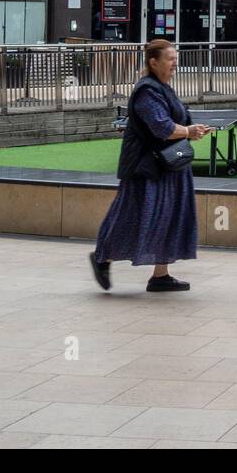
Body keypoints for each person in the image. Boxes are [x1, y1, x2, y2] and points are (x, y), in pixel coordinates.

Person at [89, 39, 209, 292]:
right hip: (146, 169)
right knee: (133, 216)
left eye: (176, 58)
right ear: (153, 62)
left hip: (170, 165)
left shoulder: (164, 87)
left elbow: (175, 121)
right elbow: (161, 126)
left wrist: (189, 130)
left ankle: (160, 275)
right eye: (170, 58)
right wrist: (188, 130)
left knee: (171, 216)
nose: (175, 62)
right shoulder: (146, 91)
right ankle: (102, 258)